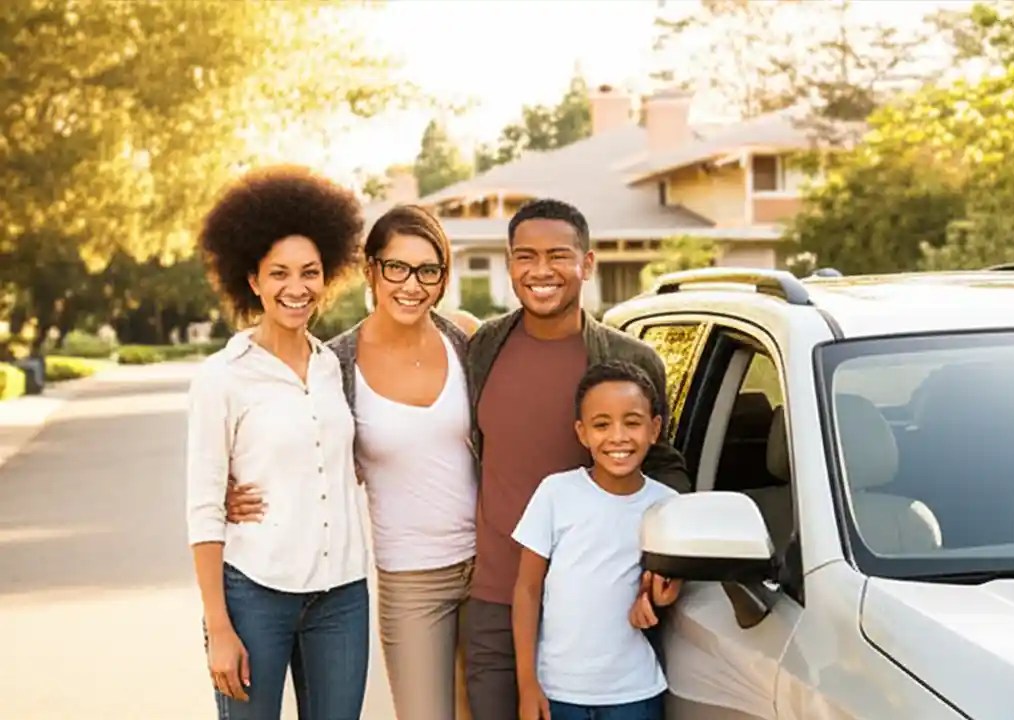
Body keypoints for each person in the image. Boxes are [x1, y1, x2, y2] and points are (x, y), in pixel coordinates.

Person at [226, 203, 478, 720]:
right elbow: (307, 444)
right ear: (371, 270)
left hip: (492, 566)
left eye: (428, 271)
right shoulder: (336, 363)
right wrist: (236, 489)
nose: (412, 284)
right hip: (412, 577)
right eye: (396, 268)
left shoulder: (466, 340)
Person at [463, 198, 690, 718]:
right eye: (525, 257)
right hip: (500, 595)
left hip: (604, 610)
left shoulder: (631, 360)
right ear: (509, 264)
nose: (541, 271)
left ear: (587, 264)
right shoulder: (483, 348)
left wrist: (666, 562)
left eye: (558, 256)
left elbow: (664, 465)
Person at [185, 164, 370, 720]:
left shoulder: (332, 366)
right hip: (254, 593)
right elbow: (202, 509)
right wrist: (218, 626)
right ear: (254, 281)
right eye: (280, 273)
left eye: (310, 273)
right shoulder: (224, 377)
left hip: (341, 594)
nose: (297, 288)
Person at [511, 361, 682, 720]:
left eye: (632, 422)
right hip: (558, 691)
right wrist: (527, 684)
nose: (618, 436)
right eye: (602, 425)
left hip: (634, 692)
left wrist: (655, 599)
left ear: (654, 429)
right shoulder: (556, 493)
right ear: (582, 432)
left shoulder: (667, 506)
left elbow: (663, 587)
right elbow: (527, 589)